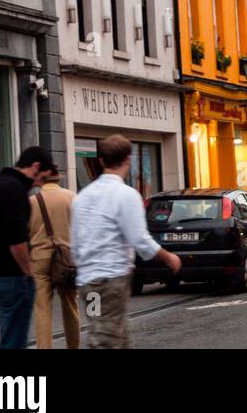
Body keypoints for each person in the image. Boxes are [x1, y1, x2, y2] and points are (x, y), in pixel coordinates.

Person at [71, 135, 181, 349]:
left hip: (88, 283)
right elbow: (139, 238)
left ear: (101, 161)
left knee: (108, 331)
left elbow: (75, 242)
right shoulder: (126, 195)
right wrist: (168, 257)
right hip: (110, 282)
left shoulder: (82, 197)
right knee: (105, 339)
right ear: (128, 160)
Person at [0, 146, 49, 349]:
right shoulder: (15, 189)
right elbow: (16, 238)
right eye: (42, 178)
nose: (38, 185)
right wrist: (27, 272)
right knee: (13, 342)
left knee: (8, 336)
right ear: (35, 167)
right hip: (11, 276)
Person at [29, 163, 80, 349]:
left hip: (39, 259)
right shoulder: (72, 197)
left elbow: (26, 233)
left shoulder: (33, 201)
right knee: (70, 305)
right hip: (66, 259)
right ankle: (73, 346)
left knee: (42, 309)